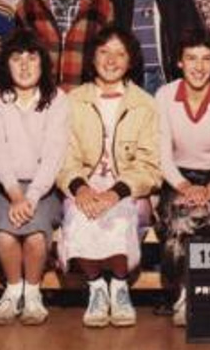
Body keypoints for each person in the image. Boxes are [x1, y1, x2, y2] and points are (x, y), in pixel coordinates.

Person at [56, 27, 161, 328]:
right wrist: (80, 188)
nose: (111, 60)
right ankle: (96, 286)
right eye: (104, 52)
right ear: (92, 57)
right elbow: (65, 156)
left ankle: (119, 283)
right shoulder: (73, 100)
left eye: (120, 53)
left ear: (131, 61)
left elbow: (149, 166)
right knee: (79, 214)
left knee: (120, 214)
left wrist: (117, 192)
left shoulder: (145, 104)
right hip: (84, 186)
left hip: (126, 188)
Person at [154, 29, 210, 327]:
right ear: (179, 62)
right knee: (181, 218)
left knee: (206, 216)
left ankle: (206, 296)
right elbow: (163, 156)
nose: (199, 66)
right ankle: (181, 296)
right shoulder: (165, 96)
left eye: (207, 58)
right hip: (178, 177)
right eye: (191, 58)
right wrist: (184, 186)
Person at [0, 30, 70, 326]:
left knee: (34, 234)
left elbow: (54, 155)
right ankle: (12, 290)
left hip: (43, 188)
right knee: (5, 233)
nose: (24, 65)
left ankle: (32, 294)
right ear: (6, 64)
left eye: (32, 58)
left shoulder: (57, 99)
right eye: (16, 58)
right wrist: (14, 194)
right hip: (4, 185)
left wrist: (30, 197)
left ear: (43, 64)